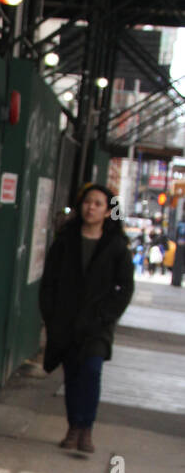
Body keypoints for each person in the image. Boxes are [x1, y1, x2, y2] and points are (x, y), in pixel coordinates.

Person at [39, 183, 134, 454]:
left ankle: (86, 428)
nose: (90, 207)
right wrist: (51, 316)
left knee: (91, 372)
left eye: (98, 204)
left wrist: (107, 315)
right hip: (67, 323)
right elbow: (49, 282)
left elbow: (125, 287)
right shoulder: (66, 240)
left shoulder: (116, 246)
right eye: (87, 202)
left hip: (97, 326)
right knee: (72, 376)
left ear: (107, 211)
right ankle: (72, 427)